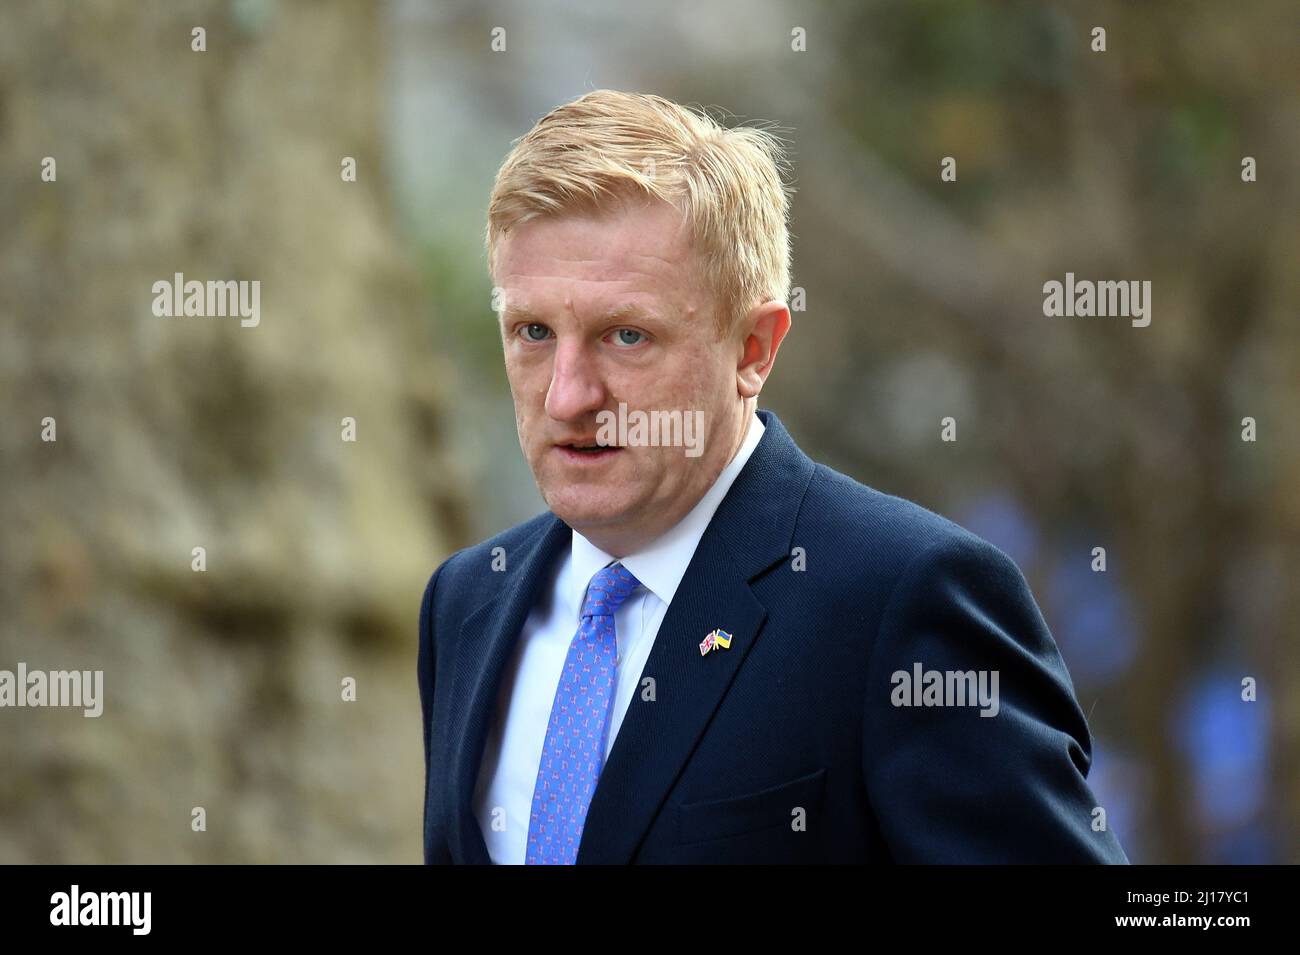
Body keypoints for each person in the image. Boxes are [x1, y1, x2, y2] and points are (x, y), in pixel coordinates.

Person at [417, 89, 1129, 864]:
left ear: (754, 348)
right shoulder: (466, 602)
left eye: (626, 335)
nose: (568, 395)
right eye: (532, 332)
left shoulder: (901, 598)